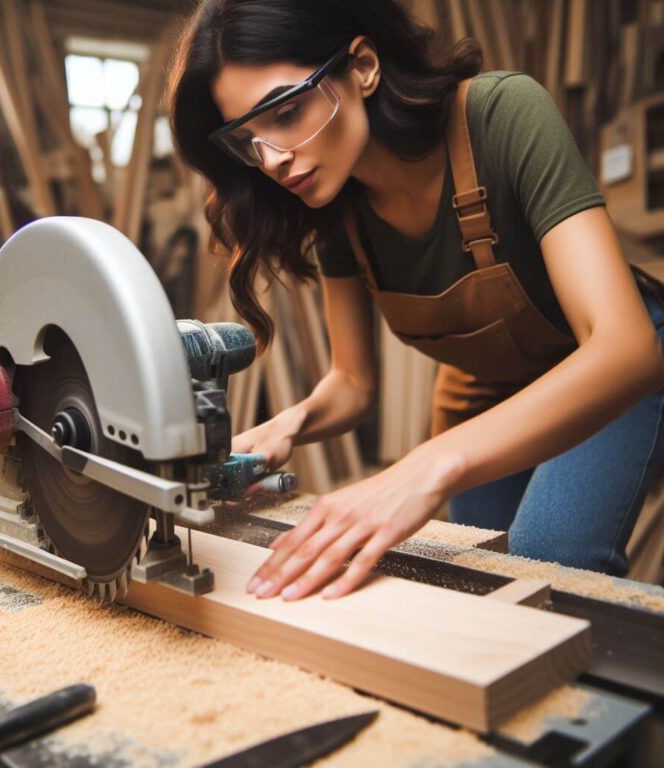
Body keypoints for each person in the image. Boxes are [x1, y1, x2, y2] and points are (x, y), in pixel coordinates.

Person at [168, 0, 664, 601]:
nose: (272, 158)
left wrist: (425, 468)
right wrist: (289, 425)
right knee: (479, 575)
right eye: (247, 139)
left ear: (365, 66)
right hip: (486, 387)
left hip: (618, 365)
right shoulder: (335, 210)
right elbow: (352, 383)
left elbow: (624, 345)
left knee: (550, 563)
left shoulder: (501, 114)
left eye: (287, 111)